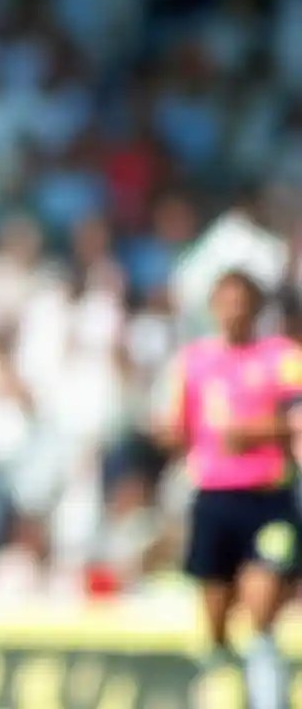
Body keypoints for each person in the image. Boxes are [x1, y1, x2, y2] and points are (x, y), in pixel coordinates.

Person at [155, 269, 302, 709]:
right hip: (215, 497)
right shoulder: (195, 362)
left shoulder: (281, 357)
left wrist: (254, 432)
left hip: (267, 497)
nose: (235, 310)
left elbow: (297, 417)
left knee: (261, 610)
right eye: (226, 300)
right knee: (216, 618)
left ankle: (267, 694)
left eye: (243, 300)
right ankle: (224, 680)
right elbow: (179, 426)